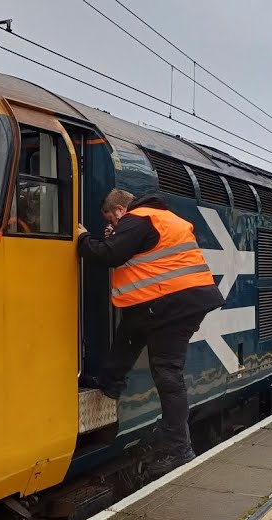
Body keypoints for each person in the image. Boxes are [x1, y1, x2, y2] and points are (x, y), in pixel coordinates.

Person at [77, 188, 224, 476]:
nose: (115, 223)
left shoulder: (138, 219)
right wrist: (117, 236)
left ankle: (178, 448)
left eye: (111, 218)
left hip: (171, 304)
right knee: (130, 332)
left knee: (167, 372)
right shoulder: (162, 218)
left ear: (118, 211)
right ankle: (110, 383)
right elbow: (144, 257)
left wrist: (83, 237)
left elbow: (108, 255)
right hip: (169, 303)